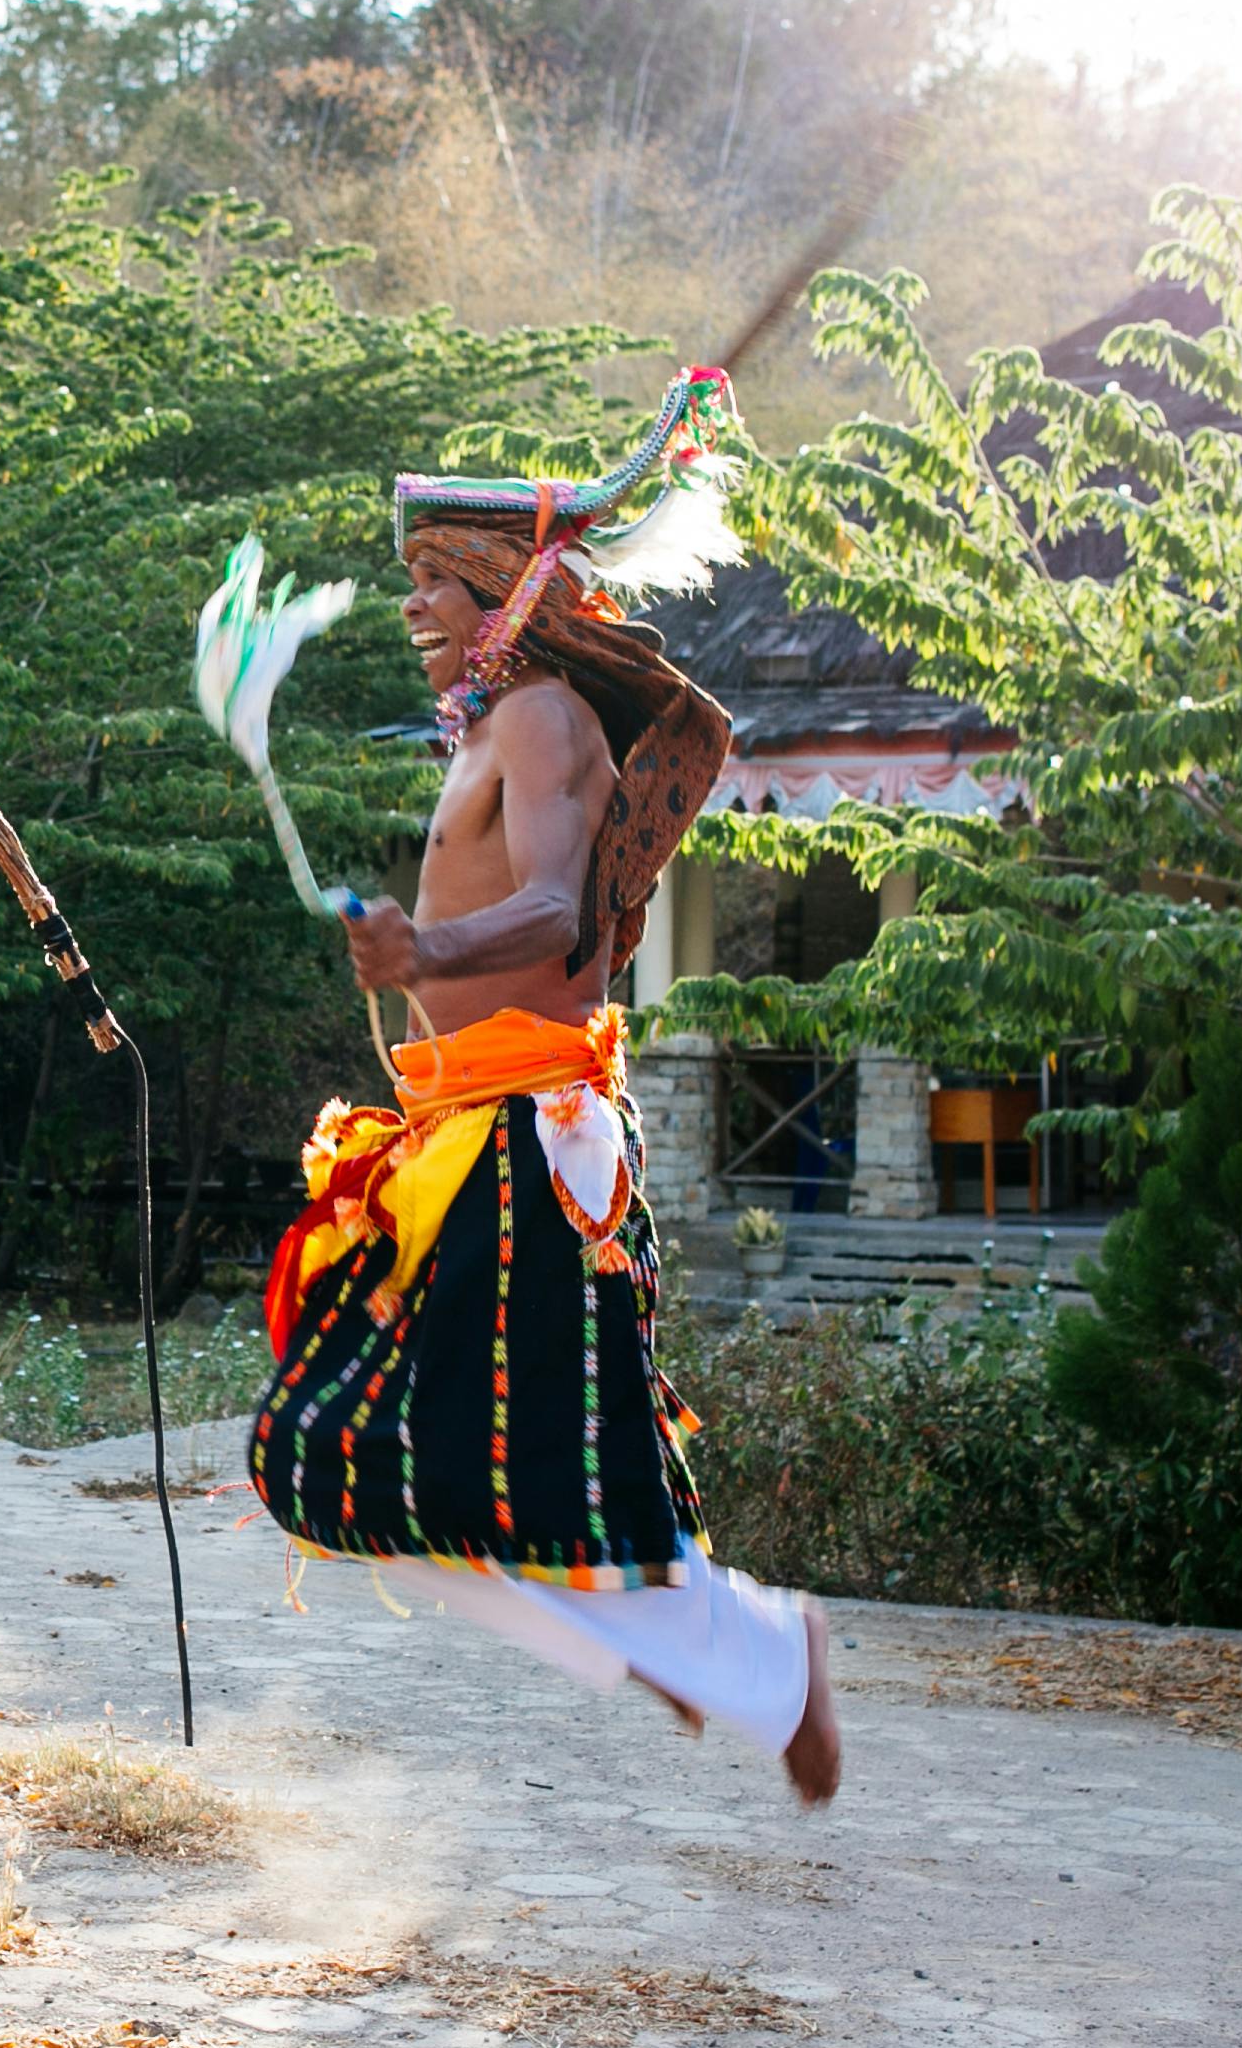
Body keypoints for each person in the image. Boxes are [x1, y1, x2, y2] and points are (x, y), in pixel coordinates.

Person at [250, 382, 841, 1805]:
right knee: (358, 1460)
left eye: (441, 585)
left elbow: (558, 913)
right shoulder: (486, 731)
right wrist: (408, 966)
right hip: (456, 1139)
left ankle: (751, 1653)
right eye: (413, 586)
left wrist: (428, 945)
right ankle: (709, 1646)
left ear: (511, 593)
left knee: (436, 1470)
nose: (419, 610)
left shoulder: (545, 719)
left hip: (525, 1144)